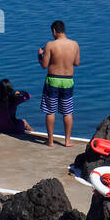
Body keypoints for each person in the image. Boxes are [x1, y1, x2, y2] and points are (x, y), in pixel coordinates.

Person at [37, 19, 81, 148]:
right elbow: (77, 63)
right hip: (68, 81)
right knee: (67, 112)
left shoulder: (50, 45)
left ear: (54, 31)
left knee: (50, 112)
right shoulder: (75, 44)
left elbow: (44, 65)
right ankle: (67, 141)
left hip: (53, 80)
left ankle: (50, 141)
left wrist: (40, 55)